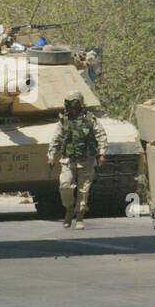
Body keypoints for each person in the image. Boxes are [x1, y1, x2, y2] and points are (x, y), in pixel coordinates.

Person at [46, 91, 108, 229]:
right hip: (68, 160)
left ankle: (79, 217)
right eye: (68, 104)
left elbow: (101, 135)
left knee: (83, 190)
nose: (71, 107)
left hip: (87, 160)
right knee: (65, 185)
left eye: (73, 104)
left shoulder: (90, 119)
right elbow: (56, 138)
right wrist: (51, 155)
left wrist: (102, 153)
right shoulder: (64, 120)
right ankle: (69, 208)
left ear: (80, 104)